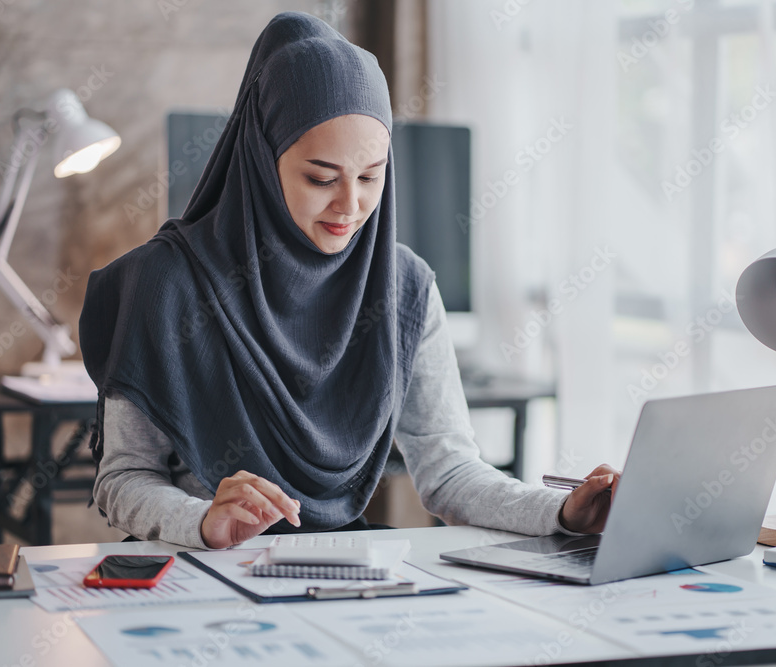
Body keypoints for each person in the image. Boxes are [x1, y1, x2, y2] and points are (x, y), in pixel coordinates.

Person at [79, 12, 618, 550]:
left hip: (341, 575)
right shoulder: (166, 283)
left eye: (370, 176)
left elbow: (449, 472)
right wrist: (201, 521)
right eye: (320, 177)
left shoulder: (404, 288)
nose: (351, 206)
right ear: (263, 160)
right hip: (201, 576)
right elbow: (123, 478)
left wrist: (563, 512)